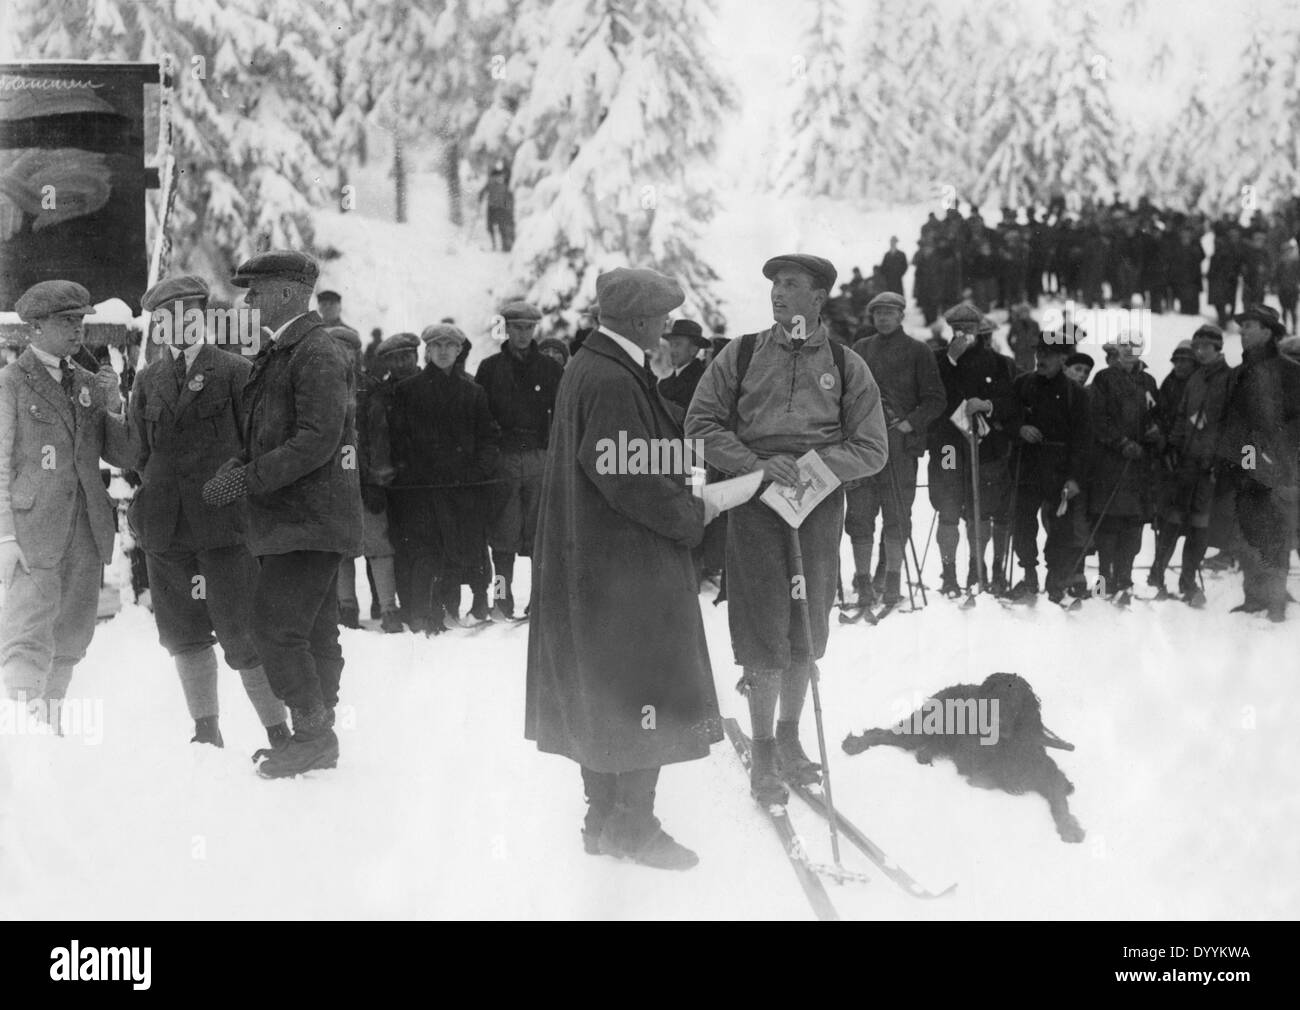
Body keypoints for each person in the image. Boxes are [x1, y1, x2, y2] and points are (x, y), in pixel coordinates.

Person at [527, 267, 721, 870]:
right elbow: (629, 478)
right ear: (638, 320)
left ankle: (602, 818)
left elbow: (632, 454)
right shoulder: (612, 378)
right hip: (626, 563)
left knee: (606, 688)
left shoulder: (597, 367)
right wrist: (695, 514)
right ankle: (633, 827)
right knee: (645, 686)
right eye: (663, 315)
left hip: (597, 559)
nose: (669, 325)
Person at [687, 253, 887, 805]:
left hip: (817, 506)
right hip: (753, 504)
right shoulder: (742, 353)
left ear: (818, 297)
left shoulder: (847, 365)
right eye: (774, 284)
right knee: (761, 626)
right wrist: (754, 462)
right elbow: (698, 425)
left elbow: (871, 448)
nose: (778, 293)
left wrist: (811, 470)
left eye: (792, 285)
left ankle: (793, 738)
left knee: (806, 621)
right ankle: (765, 750)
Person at [200, 251, 362, 778]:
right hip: (295, 520)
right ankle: (317, 730)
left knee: (273, 628)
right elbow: (268, 432)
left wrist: (250, 477)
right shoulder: (285, 351)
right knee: (312, 629)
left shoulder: (313, 352)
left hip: (308, 521)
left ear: (290, 293)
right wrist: (237, 465)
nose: (249, 301)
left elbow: (317, 439)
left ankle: (314, 735)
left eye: (257, 290)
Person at [129, 275, 288, 748]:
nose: (180, 323)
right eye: (168, 316)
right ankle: (206, 730)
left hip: (225, 528)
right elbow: (140, 452)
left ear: (202, 316)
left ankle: (278, 731)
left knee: (244, 635)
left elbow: (260, 445)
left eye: (189, 313)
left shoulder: (237, 371)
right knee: (184, 635)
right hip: (166, 530)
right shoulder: (147, 380)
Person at [0, 281, 139, 728]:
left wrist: (114, 401)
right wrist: (4, 535)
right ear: (35, 327)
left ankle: (49, 725)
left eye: (80, 321)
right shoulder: (10, 383)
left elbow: (124, 454)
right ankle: (23, 737)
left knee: (73, 633)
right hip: (32, 531)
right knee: (27, 634)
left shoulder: (86, 382)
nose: (77, 330)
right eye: (65, 322)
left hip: (85, 529)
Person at [389, 325, 500, 632]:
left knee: (463, 547)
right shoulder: (409, 390)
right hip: (422, 489)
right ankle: (427, 613)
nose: (443, 351)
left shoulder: (473, 391)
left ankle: (461, 606)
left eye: (450, 345)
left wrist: (478, 471)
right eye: (437, 345)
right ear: (427, 349)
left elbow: (488, 438)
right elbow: (398, 439)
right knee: (427, 549)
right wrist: (409, 472)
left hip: (462, 488)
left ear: (458, 350)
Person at [844, 291, 944, 612]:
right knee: (859, 514)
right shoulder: (860, 350)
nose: (883, 318)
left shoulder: (919, 351)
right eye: (878, 313)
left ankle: (892, 581)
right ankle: (862, 583)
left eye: (890, 313)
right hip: (863, 446)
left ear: (901, 316)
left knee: (897, 515)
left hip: (901, 448)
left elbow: (935, 399)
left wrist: (909, 423)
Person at [475, 301, 562, 620]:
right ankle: (502, 596)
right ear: (507, 329)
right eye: (517, 327)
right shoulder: (490, 368)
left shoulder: (551, 370)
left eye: (528, 328)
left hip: (540, 458)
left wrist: (553, 453)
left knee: (540, 533)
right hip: (504, 460)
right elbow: (480, 416)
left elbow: (562, 417)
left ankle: (539, 598)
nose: (523, 334)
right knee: (502, 535)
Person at [928, 303, 1020, 597]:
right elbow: (931, 398)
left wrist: (988, 405)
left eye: (969, 328)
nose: (963, 334)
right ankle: (949, 573)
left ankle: (980, 567)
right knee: (949, 508)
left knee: (984, 510)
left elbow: (1012, 403)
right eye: (958, 329)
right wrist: (950, 362)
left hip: (987, 446)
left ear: (979, 329)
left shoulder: (1000, 363)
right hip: (948, 446)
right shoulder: (937, 360)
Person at [1219, 305, 1300, 621]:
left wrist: (1278, 455)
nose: (1242, 332)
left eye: (1249, 326)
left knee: (1276, 534)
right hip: (1243, 467)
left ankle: (1276, 601)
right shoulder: (1239, 373)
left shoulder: (1290, 372)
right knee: (1247, 533)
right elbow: (1232, 421)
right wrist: (1229, 459)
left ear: (1268, 331)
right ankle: (1253, 597)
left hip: (1277, 470)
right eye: (1241, 327)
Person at [1009, 333, 1091, 603]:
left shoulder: (1075, 394)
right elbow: (1003, 418)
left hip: (1059, 469)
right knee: (1022, 522)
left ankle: (1055, 579)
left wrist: (1075, 478)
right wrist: (1020, 427)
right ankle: (1029, 574)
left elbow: (1083, 439)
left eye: (1048, 354)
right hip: (1027, 465)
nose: (1040, 358)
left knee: (1060, 527)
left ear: (1063, 359)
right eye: (1039, 352)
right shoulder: (1022, 384)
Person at [1155, 324, 1232, 606]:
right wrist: (1173, 446)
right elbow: (1180, 417)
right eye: (1196, 346)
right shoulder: (1195, 378)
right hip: (1185, 462)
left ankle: (1187, 582)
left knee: (1200, 527)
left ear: (1218, 348)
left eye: (1205, 347)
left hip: (1209, 466)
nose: (1199, 352)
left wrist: (1220, 458)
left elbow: (1231, 425)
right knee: (1172, 521)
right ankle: (1157, 576)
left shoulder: (1230, 379)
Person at [334, 327, 402, 633]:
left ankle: (388, 607)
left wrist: (378, 479)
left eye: (348, 349)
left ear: (357, 353)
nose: (342, 355)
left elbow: (380, 437)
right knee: (341, 547)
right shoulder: (317, 386)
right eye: (336, 348)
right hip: (334, 482)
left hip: (367, 480)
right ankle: (347, 607)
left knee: (378, 545)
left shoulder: (371, 390)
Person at [1086, 342, 1162, 604]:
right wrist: (1120, 442)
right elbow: (1097, 418)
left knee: (1133, 523)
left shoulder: (1148, 380)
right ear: (1116, 354)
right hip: (1110, 463)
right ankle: (1104, 580)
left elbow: (1157, 413)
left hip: (1140, 464)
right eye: (1124, 349)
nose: (1130, 354)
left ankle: (1125, 579)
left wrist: (1155, 430)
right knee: (1108, 523)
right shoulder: (1104, 378)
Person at [656, 318, 710, 412]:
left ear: (693, 349)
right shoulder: (667, 379)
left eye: (677, 344)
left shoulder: (703, 380)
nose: (671, 350)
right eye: (670, 344)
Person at [479, 160, 515, 252]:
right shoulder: (499, 182)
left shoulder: (497, 183)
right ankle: (499, 245)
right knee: (496, 227)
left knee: (495, 227)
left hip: (496, 208)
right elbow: (483, 191)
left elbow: (483, 191)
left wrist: (480, 198)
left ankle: (499, 245)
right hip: (497, 208)